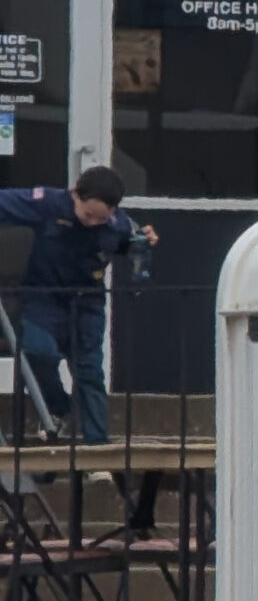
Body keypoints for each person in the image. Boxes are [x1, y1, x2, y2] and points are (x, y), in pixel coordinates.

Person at [0, 166, 157, 446]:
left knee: (89, 373)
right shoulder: (47, 203)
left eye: (101, 218)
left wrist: (144, 243)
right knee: (37, 352)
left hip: (87, 304)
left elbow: (133, 243)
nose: (93, 222)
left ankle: (98, 446)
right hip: (43, 297)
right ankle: (57, 407)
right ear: (75, 195)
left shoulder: (118, 224)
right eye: (88, 215)